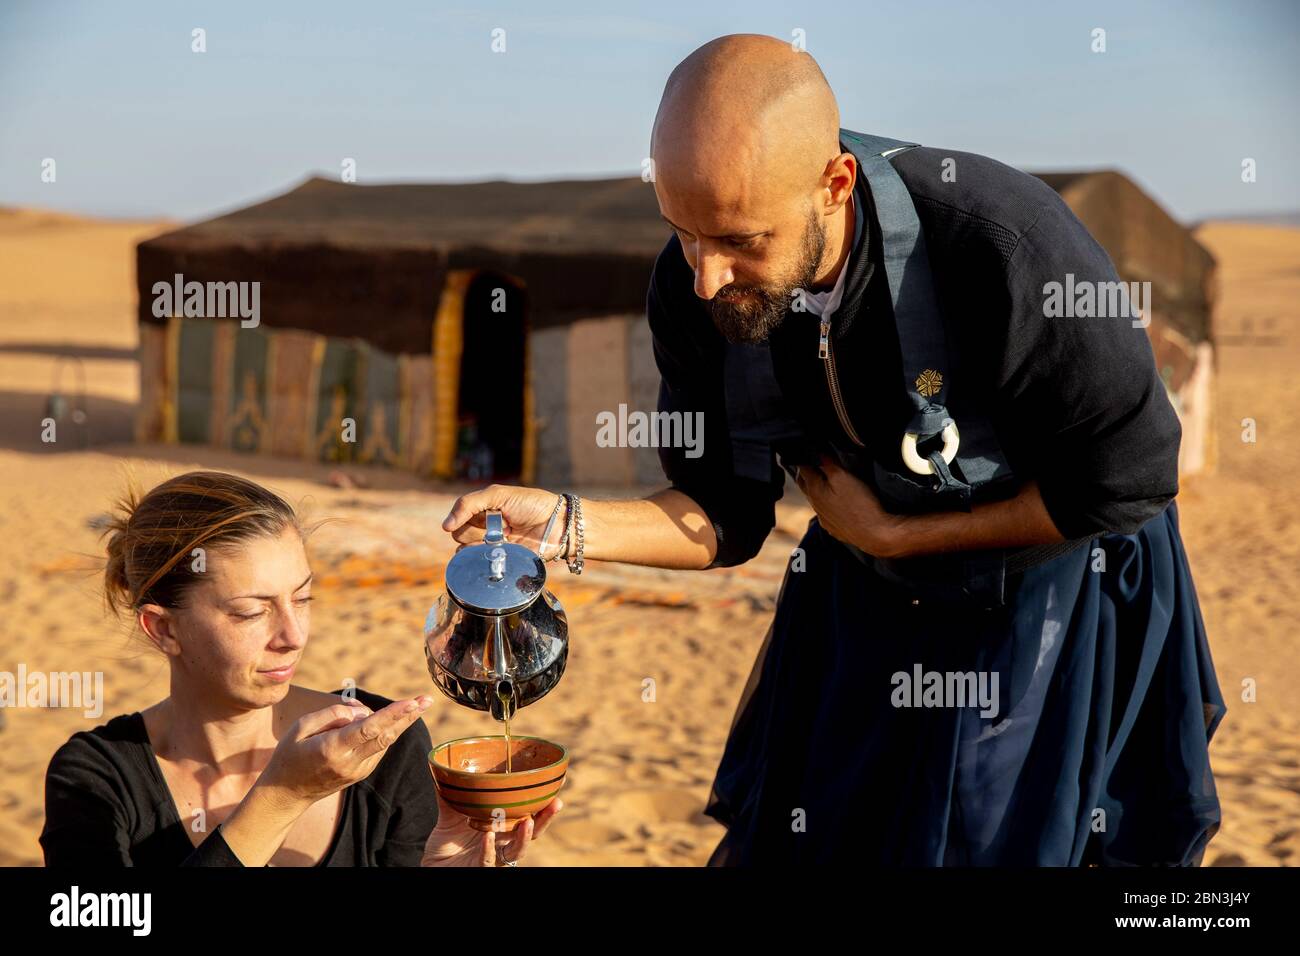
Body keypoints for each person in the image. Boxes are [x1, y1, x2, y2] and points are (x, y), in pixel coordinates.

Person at [441, 35, 1224, 866]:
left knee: (990, 838)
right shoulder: (692, 281)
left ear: (834, 184)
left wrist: (901, 534)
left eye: (742, 241)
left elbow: (1129, 479)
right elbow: (725, 513)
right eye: (683, 233)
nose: (707, 278)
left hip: (1053, 583)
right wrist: (564, 523)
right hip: (867, 582)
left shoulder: (1005, 245)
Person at [41, 470, 561, 867]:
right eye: (251, 611)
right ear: (163, 629)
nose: (293, 637)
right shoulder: (95, 779)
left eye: (303, 598)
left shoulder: (380, 746)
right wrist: (282, 797)